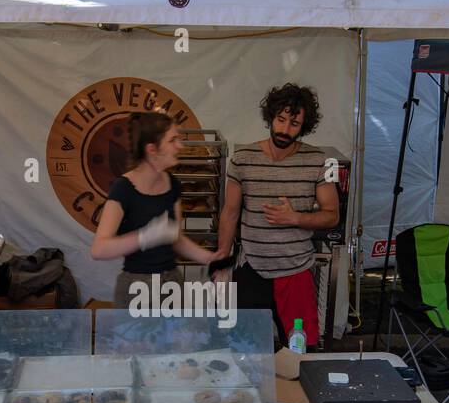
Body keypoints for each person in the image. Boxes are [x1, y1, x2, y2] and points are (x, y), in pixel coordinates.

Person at [216, 83, 340, 347]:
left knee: (297, 351)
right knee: (243, 350)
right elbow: (230, 213)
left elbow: (332, 216)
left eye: (294, 124)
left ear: (304, 126)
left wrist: (295, 218)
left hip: (296, 273)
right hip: (251, 271)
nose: (284, 130)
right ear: (270, 117)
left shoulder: (320, 160)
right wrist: (221, 262)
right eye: (281, 120)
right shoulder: (242, 158)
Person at [91, 111, 218, 307]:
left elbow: (175, 237)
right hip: (136, 287)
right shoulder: (123, 189)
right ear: (152, 149)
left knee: (176, 338)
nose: (180, 146)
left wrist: (209, 258)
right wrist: (145, 237)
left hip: (171, 284)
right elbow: (99, 249)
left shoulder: (173, 184)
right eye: (172, 140)